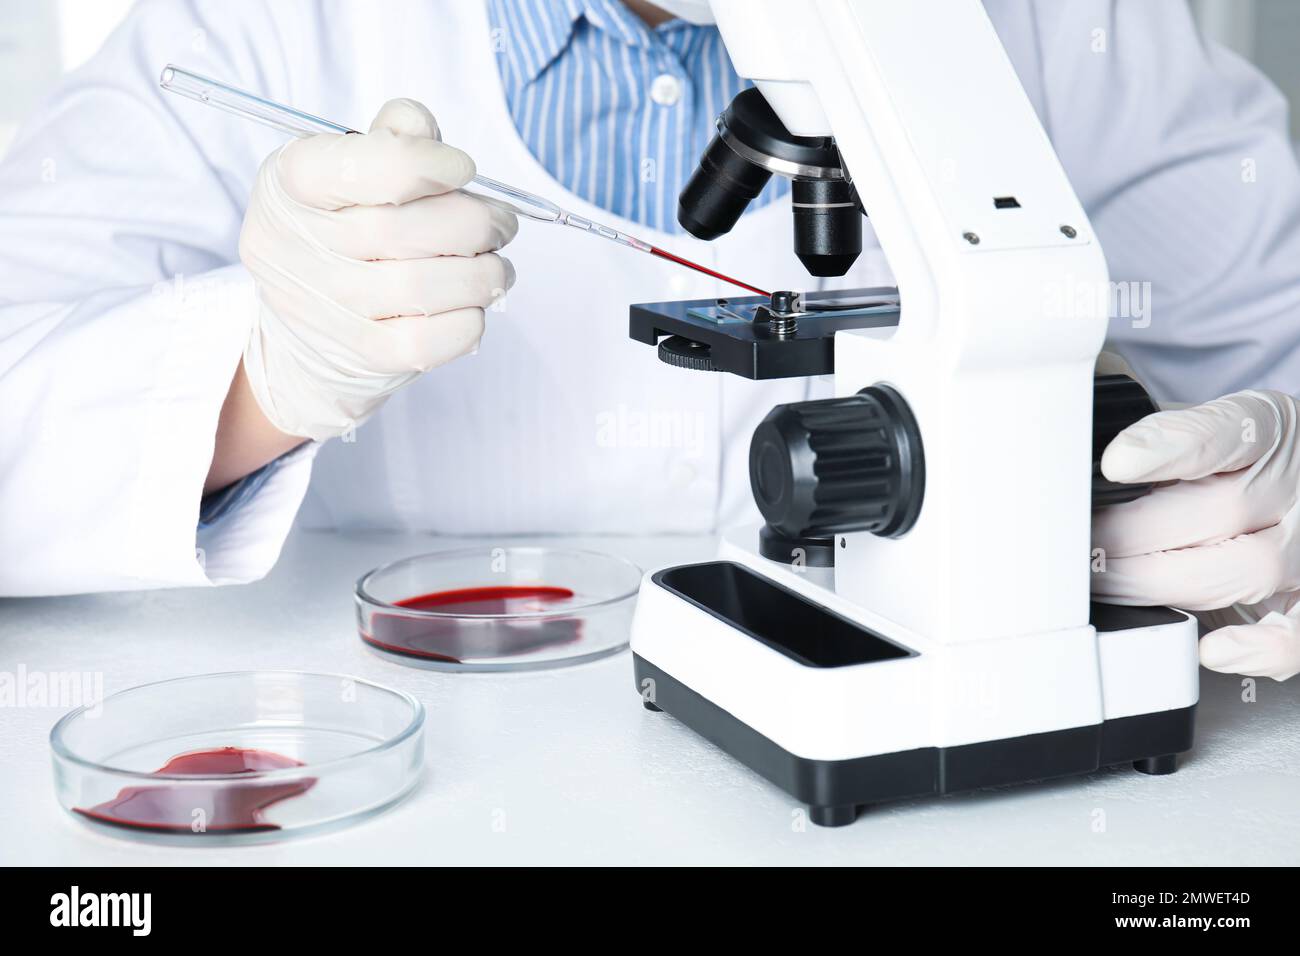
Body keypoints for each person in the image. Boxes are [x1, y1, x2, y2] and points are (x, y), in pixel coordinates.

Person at [1, 0, 1299, 680]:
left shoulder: (1070, 21)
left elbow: (1271, 340)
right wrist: (266, 379)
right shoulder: (261, 22)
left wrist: (1252, 494)